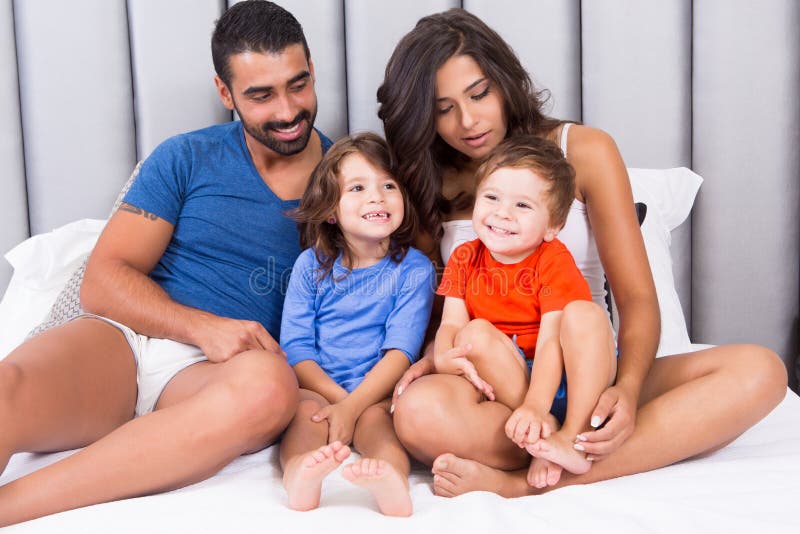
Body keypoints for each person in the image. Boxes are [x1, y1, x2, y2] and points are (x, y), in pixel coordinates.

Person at [377, 8, 788, 498]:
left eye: (479, 93)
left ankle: (525, 480)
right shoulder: (428, 181)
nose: (467, 121)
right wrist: (434, 356)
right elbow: (442, 312)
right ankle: (550, 444)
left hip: (588, 368)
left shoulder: (585, 150)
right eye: (443, 109)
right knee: (417, 414)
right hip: (497, 382)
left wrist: (626, 391)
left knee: (761, 371)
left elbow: (636, 299)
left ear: (503, 81)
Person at [0, 0, 333, 525]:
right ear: (225, 93)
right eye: (261, 95)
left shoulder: (352, 184)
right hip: (122, 344)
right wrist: (202, 327)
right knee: (6, 387)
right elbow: (102, 281)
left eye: (298, 85)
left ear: (312, 70)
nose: (288, 110)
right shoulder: (186, 157)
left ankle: (12, 509)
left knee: (270, 388)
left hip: (222, 378)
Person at [434, 135, 617, 489]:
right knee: (472, 334)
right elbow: (451, 325)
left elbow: (550, 343)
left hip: (574, 375)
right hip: (514, 381)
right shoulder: (464, 257)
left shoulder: (552, 259)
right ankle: (543, 433)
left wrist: (536, 404)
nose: (502, 213)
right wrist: (442, 356)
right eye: (491, 197)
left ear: (552, 227)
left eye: (522, 205)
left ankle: (572, 435)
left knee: (584, 314)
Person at [278, 132, 435, 517]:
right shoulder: (310, 265)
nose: (377, 197)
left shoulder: (414, 269)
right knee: (303, 415)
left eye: (388, 186)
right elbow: (296, 348)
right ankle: (298, 473)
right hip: (319, 388)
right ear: (331, 210)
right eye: (358, 188)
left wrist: (354, 406)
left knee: (380, 427)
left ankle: (392, 480)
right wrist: (338, 402)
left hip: (376, 394)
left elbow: (401, 353)